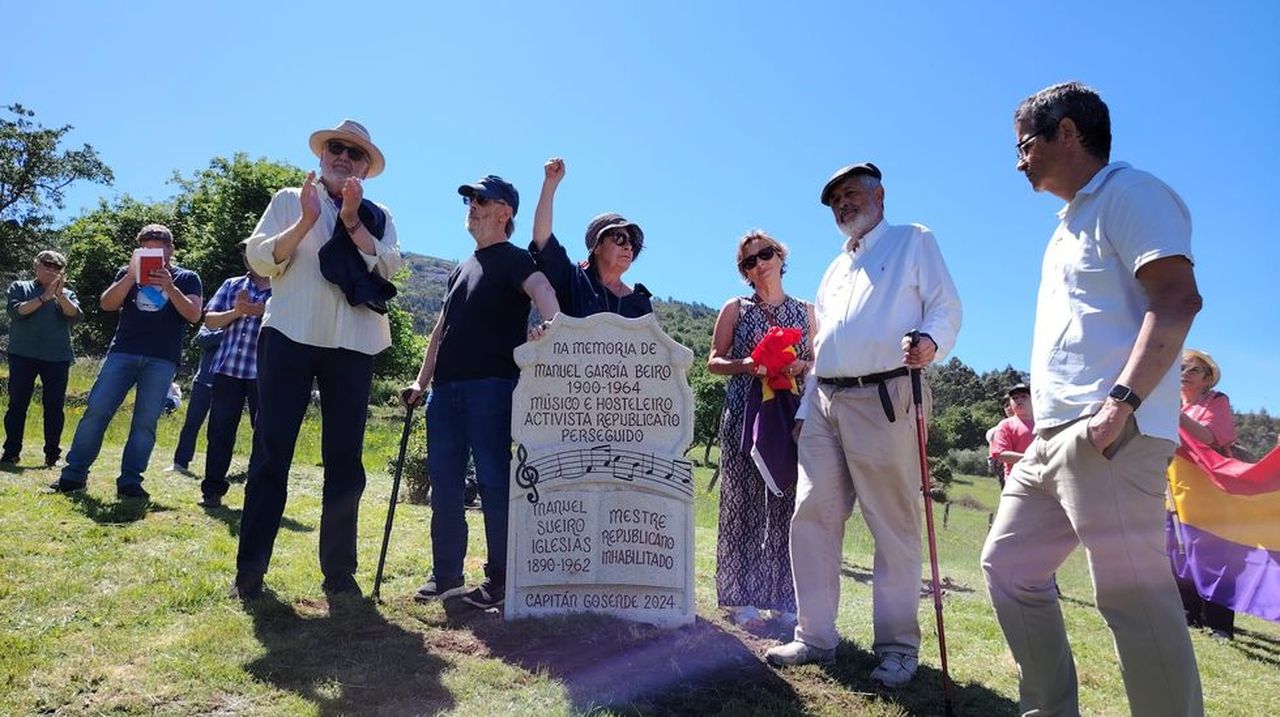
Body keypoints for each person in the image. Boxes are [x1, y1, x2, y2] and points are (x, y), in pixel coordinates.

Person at [980, 82, 1203, 715]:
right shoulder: (1068, 222)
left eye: (1024, 144)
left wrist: (1121, 404)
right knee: (1009, 567)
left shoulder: (1132, 194)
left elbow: (1177, 299)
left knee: (1132, 599)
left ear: (1069, 132)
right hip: (1050, 437)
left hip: (1109, 429)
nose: (1018, 160)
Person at [765, 162, 962, 690]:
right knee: (811, 513)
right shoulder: (834, 270)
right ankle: (815, 636)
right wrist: (806, 409)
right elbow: (822, 344)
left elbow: (945, 307)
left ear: (880, 195)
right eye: (835, 201)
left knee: (891, 524)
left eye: (851, 194)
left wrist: (931, 342)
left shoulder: (913, 241)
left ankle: (898, 648)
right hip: (825, 399)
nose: (843, 205)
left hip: (887, 394)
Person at [233, 119, 402, 600]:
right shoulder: (290, 198)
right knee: (272, 451)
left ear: (366, 166)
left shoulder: (379, 213)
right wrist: (306, 221)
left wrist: (351, 220)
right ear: (322, 154)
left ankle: (339, 573)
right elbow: (260, 260)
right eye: (337, 148)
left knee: (345, 460)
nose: (344, 157)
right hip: (289, 333)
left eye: (355, 153)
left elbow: (389, 264)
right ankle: (250, 572)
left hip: (354, 344)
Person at [402, 174, 561, 610]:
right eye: (469, 199)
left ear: (505, 211)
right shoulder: (462, 266)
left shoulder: (514, 259)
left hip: (493, 388)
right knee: (445, 484)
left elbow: (542, 290)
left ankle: (502, 580)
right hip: (445, 392)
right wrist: (421, 380)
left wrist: (553, 324)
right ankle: (447, 576)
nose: (470, 205)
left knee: (493, 483)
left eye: (480, 199)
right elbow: (439, 330)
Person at [708, 230, 815, 628]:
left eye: (764, 254)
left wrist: (799, 366)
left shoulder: (806, 312)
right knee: (742, 504)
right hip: (743, 415)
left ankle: (783, 598)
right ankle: (740, 598)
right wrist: (750, 364)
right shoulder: (735, 308)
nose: (759, 264)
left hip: (787, 416)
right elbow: (714, 361)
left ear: (780, 256)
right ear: (745, 273)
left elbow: (817, 361)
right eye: (749, 262)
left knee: (785, 504)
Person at [51, 225, 203, 500]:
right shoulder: (127, 272)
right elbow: (107, 304)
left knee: (145, 422)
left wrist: (169, 286)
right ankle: (73, 476)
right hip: (122, 352)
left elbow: (193, 314)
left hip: (161, 358)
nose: (155, 255)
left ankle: (130, 481)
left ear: (171, 250)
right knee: (96, 411)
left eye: (159, 249)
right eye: (147, 250)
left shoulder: (187, 277)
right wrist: (132, 275)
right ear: (138, 250)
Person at [529, 157, 652, 319]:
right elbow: (542, 239)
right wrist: (550, 184)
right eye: (620, 238)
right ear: (597, 246)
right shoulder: (573, 280)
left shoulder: (640, 301)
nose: (628, 247)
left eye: (632, 242)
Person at [197, 259, 271, 509]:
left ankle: (259, 493)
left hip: (266, 373)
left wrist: (266, 313)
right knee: (219, 432)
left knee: (265, 435)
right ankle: (212, 491)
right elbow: (209, 321)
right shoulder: (232, 284)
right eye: (247, 254)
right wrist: (237, 312)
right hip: (228, 369)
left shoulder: (284, 288)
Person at [1175, 348, 1237, 639]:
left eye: (1193, 370)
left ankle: (1220, 624)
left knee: (1215, 556)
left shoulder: (1216, 401)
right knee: (1180, 552)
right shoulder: (1174, 404)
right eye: (1182, 368)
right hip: (1178, 491)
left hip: (1212, 491)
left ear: (1207, 380)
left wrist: (1172, 414)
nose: (1184, 374)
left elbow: (1209, 436)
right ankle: (1190, 614)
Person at [3, 250, 82, 467]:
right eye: (47, 264)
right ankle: (11, 452)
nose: (51, 269)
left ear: (62, 271)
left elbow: (74, 316)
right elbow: (17, 311)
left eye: (56, 267)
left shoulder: (68, 293)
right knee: (17, 405)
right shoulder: (21, 287)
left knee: (54, 406)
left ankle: (52, 454)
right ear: (36, 265)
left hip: (57, 357)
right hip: (23, 354)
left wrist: (59, 296)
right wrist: (43, 297)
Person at [168, 326, 224, 475]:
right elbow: (201, 340)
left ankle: (215, 471)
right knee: (191, 424)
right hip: (203, 382)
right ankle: (180, 463)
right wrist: (227, 332)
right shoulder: (213, 321)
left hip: (228, 384)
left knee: (219, 430)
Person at [989, 384, 1034, 487]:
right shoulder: (1005, 425)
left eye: (1024, 396)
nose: (1019, 400)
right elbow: (1001, 454)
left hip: (1048, 481)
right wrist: (1032, 459)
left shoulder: (1045, 423)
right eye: (1014, 398)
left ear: (1033, 399)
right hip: (1018, 482)